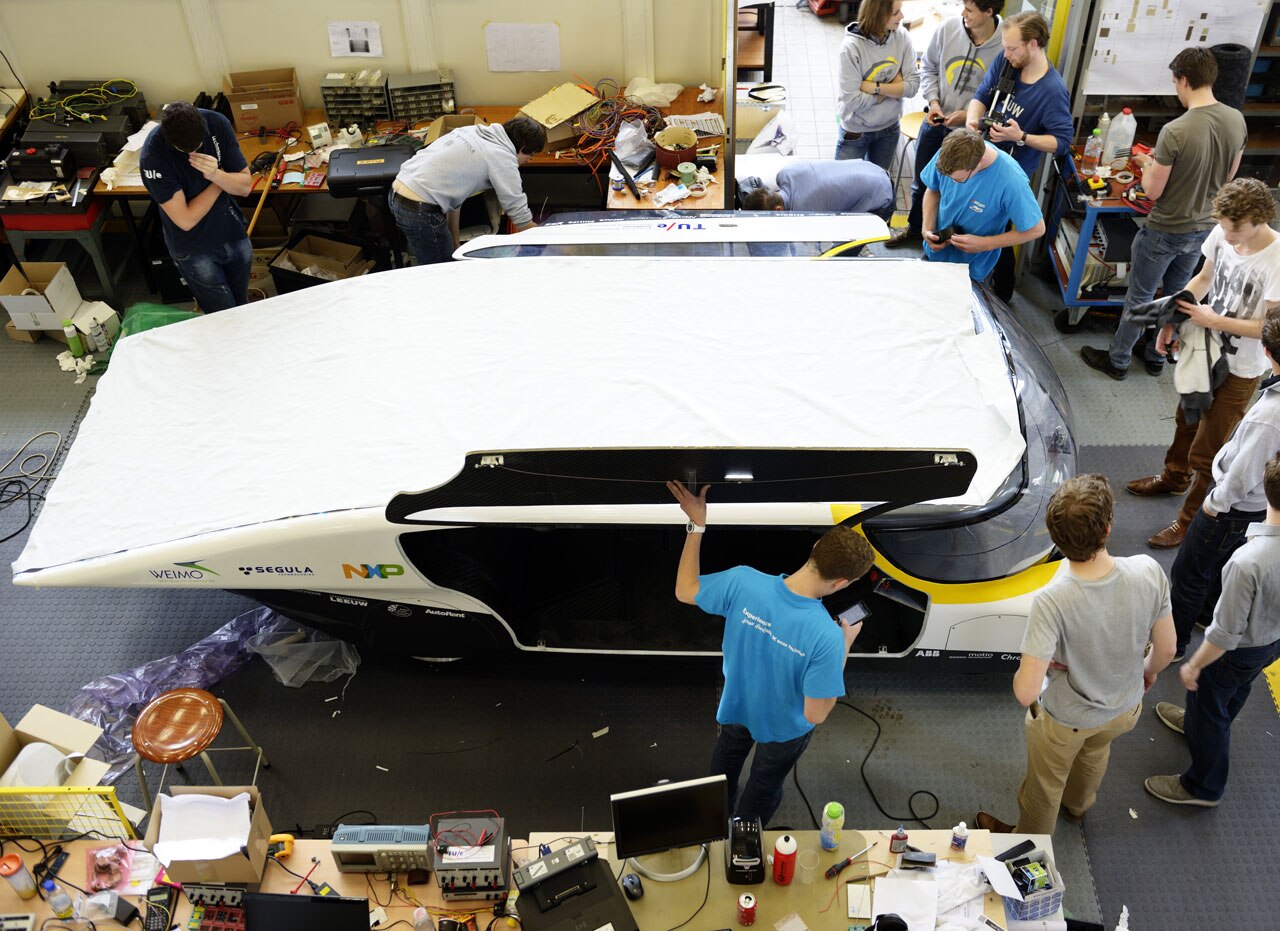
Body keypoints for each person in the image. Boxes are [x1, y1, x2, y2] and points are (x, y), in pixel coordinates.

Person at [975, 474, 1176, 835]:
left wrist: (1042, 666)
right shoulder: (1148, 570)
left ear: (1056, 538)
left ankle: (1029, 842)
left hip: (1067, 719)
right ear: (1108, 528)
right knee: (1095, 754)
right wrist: (1145, 671)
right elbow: (1168, 649)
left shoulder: (1052, 601)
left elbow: (1024, 692)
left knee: (1044, 787)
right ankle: (1078, 806)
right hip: (1124, 708)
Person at [667, 480, 873, 826]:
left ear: (815, 547)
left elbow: (685, 590)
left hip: (736, 706)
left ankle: (712, 820)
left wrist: (697, 524)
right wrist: (846, 642)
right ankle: (744, 838)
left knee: (723, 768)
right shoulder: (827, 636)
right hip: (783, 729)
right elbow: (816, 712)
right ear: (842, 582)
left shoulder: (743, 581)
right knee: (764, 785)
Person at [1126, 178, 1280, 549]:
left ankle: (1189, 521)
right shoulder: (1223, 231)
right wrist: (1174, 316)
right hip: (1205, 350)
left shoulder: (1276, 259)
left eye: (1234, 230)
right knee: (1186, 421)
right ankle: (1173, 478)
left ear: (1259, 219)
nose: (1225, 236)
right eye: (1222, 228)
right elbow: (1204, 278)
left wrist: (1215, 320)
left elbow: (1270, 327)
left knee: (1211, 446)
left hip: (1241, 367)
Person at [1081, 49, 1248, 381]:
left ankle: (1118, 361)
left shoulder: (1175, 130)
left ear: (1184, 80)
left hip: (1166, 229)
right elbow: (1228, 178)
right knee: (1178, 296)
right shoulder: (1236, 120)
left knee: (1141, 298)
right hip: (1204, 229)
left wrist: (1147, 164)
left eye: (1175, 83)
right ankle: (1156, 356)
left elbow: (1152, 191)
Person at [1145, 452, 1280, 807]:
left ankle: (1202, 787)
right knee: (1236, 690)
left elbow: (1224, 632)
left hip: (1236, 650)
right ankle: (1201, 726)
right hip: (1270, 642)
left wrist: (1194, 665)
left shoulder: (1248, 562)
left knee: (1207, 699)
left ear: (1267, 493)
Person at [1166, 310, 1280, 660]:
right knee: (1217, 567)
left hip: (1234, 507)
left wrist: (1214, 504)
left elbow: (1244, 473)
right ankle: (1204, 614)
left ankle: (1173, 645)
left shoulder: (1269, 417)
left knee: (1188, 572)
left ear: (1265, 350)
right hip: (1260, 505)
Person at [964, 11, 1071, 300]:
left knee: (996, 231)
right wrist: (972, 123)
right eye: (1005, 47)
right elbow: (981, 96)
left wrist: (1020, 136)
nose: (1006, 54)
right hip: (982, 160)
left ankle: (1001, 295)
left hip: (1009, 175)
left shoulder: (1052, 91)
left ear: (1033, 44)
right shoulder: (1006, 63)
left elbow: (1062, 142)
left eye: (1012, 48)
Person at [888, 0, 1005, 248]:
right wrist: (933, 102)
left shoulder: (1005, 45)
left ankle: (944, 240)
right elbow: (928, 68)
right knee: (921, 184)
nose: (963, 13)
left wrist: (968, 115)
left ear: (989, 12)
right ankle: (915, 230)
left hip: (968, 136)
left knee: (956, 190)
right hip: (935, 124)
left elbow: (1002, 99)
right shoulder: (948, 28)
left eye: (970, 10)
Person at [140, 101, 254, 312]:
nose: (193, 153)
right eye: (184, 150)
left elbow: (245, 187)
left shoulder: (217, 123)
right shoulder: (153, 156)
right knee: (222, 313)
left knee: (241, 303)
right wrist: (219, 180)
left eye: (198, 146)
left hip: (232, 231)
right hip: (195, 249)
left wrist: (215, 174)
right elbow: (186, 220)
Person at [389, 115, 546, 266]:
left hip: (398, 192)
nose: (528, 161)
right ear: (523, 148)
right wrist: (549, 242)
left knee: (443, 261)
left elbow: (455, 196)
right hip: (419, 209)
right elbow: (520, 215)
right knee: (442, 272)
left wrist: (455, 240)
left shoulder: (473, 131)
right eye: (530, 156)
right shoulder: (503, 157)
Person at [920, 128, 1044, 287]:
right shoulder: (949, 153)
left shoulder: (1012, 181)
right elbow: (933, 189)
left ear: (981, 161)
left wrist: (985, 243)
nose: (953, 182)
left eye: (959, 179)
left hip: (971, 272)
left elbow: (1036, 229)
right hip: (934, 255)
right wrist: (927, 228)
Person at [835, 0, 919, 171]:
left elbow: (913, 86)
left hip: (889, 129)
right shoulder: (851, 48)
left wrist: (875, 88)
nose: (902, 16)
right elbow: (852, 101)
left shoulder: (902, 37)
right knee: (844, 183)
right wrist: (893, 88)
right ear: (878, 15)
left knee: (878, 183)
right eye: (895, 13)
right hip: (856, 132)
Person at [741, 158, 893, 219]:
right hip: (871, 168)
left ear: (779, 210)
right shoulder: (785, 173)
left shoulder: (806, 213)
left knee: (846, 247)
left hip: (880, 197)